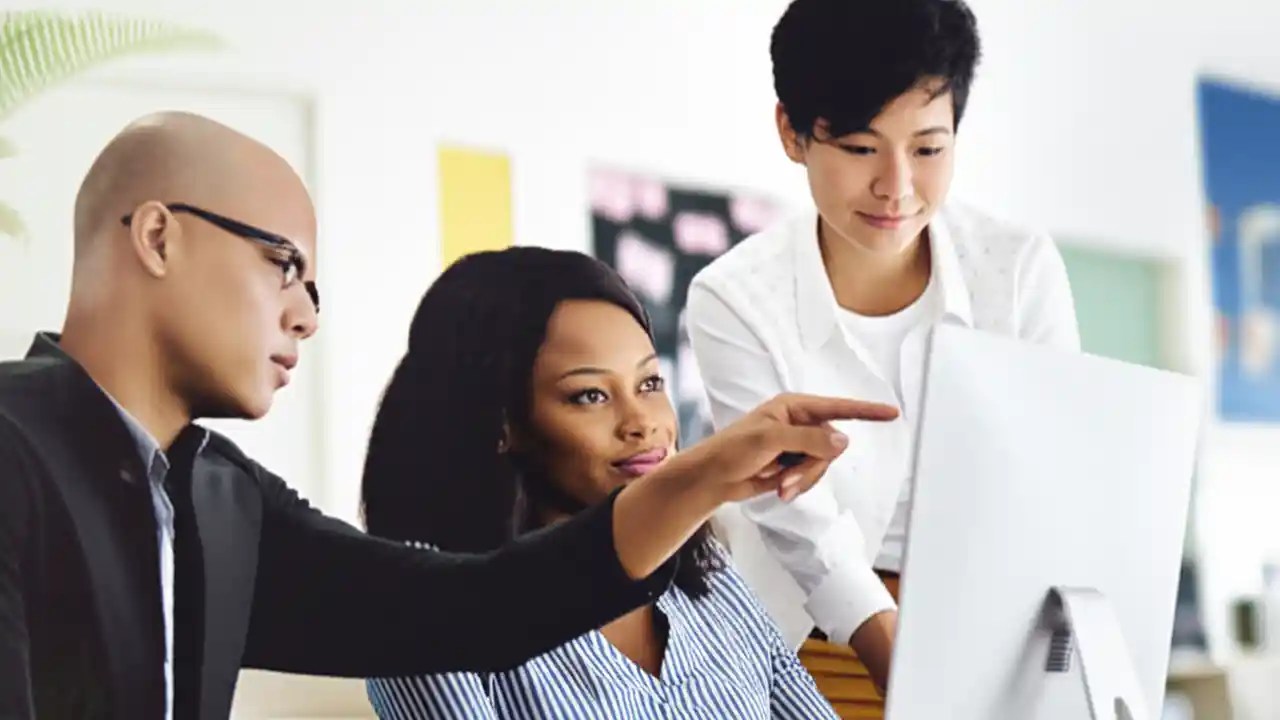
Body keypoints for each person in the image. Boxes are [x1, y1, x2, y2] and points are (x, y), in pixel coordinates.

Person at [0, 112, 900, 720]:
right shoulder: (15, 448)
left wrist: (703, 476)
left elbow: (473, 610)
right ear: (159, 237)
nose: (305, 315)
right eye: (283, 265)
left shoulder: (219, 500)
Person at [685, 0, 1081, 707]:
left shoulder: (1017, 269)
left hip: (993, 636)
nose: (896, 188)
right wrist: (903, 671)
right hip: (812, 643)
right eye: (861, 148)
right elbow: (795, 518)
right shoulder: (736, 299)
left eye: (928, 150)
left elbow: (1055, 476)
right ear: (793, 133)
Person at [360, 247, 841, 719]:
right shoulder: (421, 614)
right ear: (498, 422)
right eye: (590, 395)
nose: (642, 424)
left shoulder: (707, 572)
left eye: (649, 384)